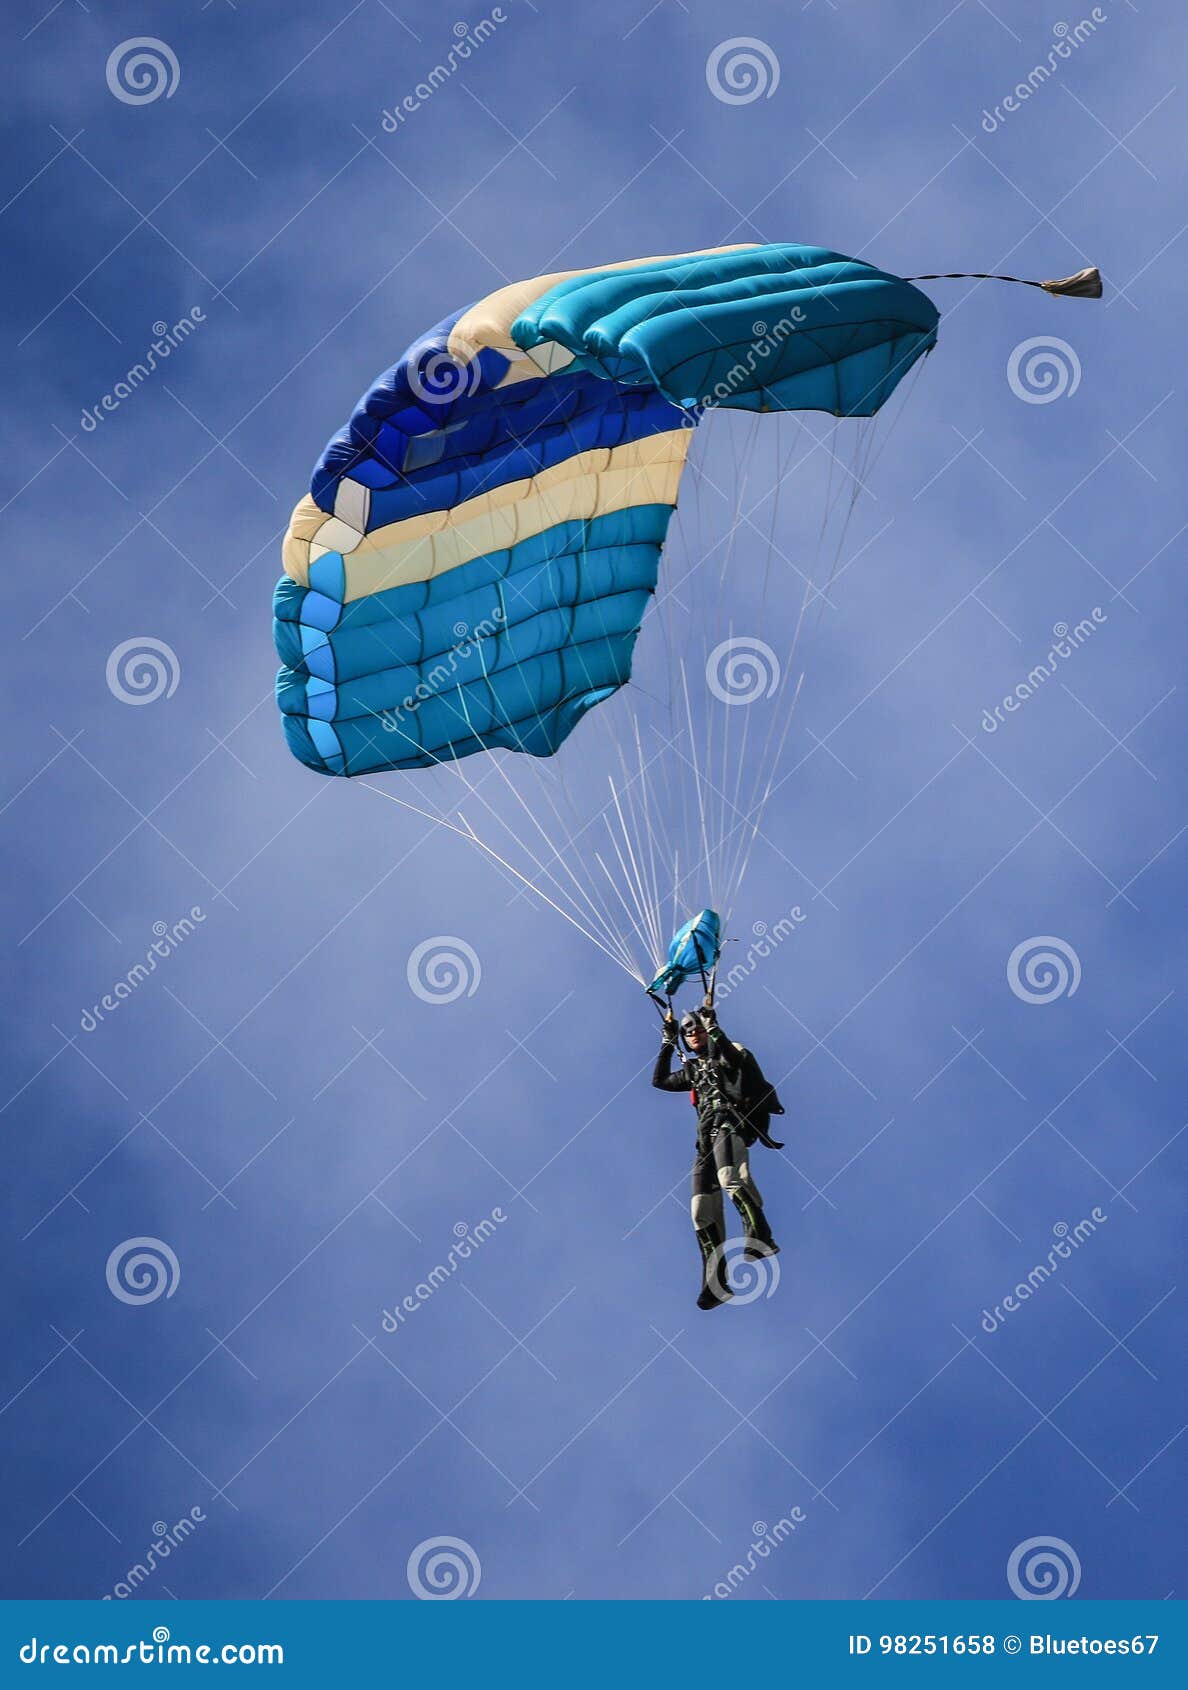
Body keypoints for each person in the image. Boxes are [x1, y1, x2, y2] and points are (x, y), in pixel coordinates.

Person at [652, 995, 782, 1310]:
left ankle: (759, 1235)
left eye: (695, 1028)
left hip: (727, 1123)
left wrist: (714, 1026)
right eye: (686, 1032)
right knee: (699, 1211)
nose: (691, 1034)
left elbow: (737, 1062)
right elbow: (659, 1081)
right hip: (705, 1139)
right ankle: (716, 1282)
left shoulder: (726, 1053)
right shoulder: (693, 1069)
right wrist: (668, 1042)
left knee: (730, 1178)